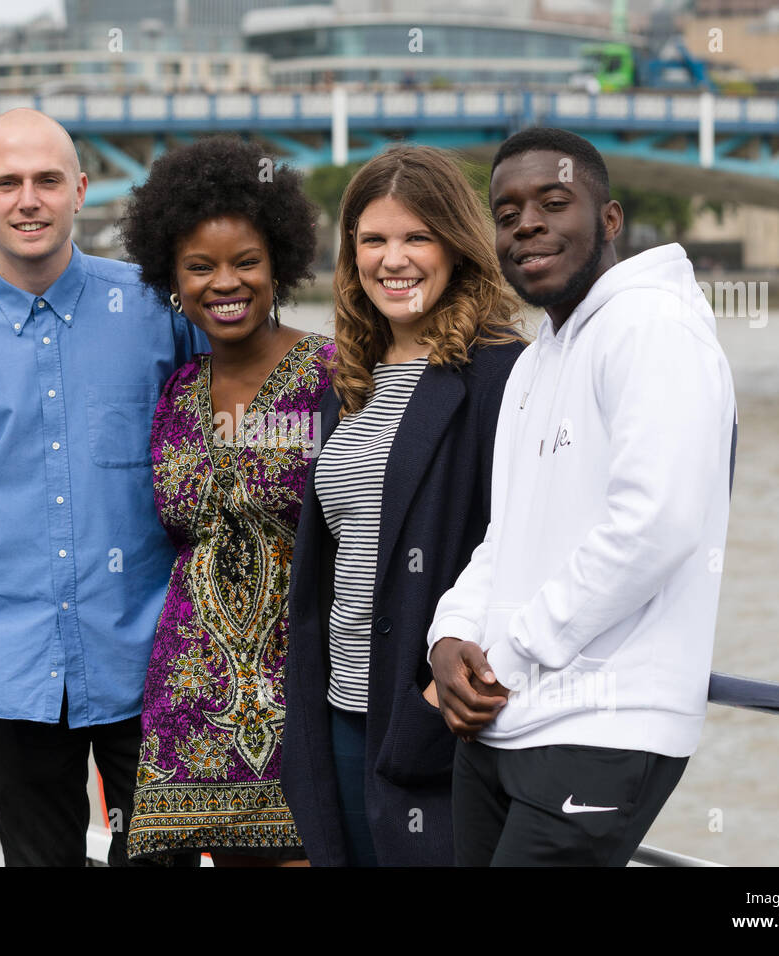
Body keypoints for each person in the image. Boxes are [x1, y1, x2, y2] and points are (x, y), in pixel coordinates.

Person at [428, 127, 737, 866]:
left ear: (610, 219)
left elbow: (656, 525)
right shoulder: (538, 358)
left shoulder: (653, 329)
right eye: (506, 213)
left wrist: (513, 650)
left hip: (603, 727)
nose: (526, 223)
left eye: (553, 202)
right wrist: (448, 636)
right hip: (503, 722)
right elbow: (507, 534)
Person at [0, 108, 206, 866]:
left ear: (79, 189)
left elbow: (211, 456)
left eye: (46, 180)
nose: (28, 200)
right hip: (11, 660)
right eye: (7, 183)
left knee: (163, 859)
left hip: (149, 653)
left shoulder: (158, 310)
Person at [281, 145, 527, 866]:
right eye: (374, 239)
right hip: (339, 717)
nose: (395, 260)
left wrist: (429, 705)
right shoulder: (347, 380)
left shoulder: (499, 373)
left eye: (417, 236)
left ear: (456, 245)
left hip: (427, 724)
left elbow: (524, 549)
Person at [117, 137, 333, 866]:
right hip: (189, 711)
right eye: (199, 267)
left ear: (279, 264)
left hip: (303, 700)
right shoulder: (177, 393)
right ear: (172, 279)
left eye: (245, 261)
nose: (225, 282)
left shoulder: (335, 376)